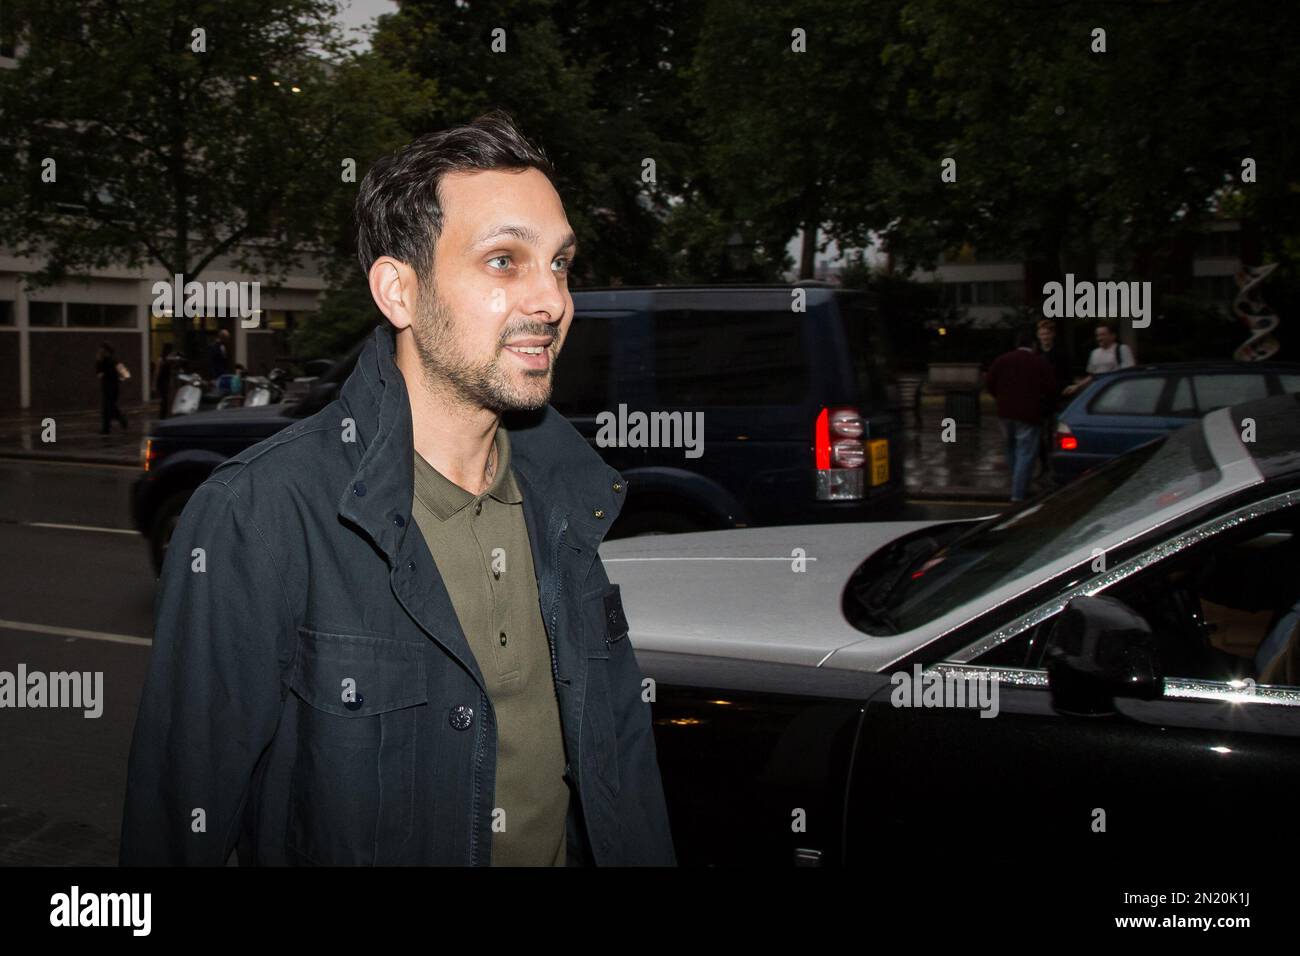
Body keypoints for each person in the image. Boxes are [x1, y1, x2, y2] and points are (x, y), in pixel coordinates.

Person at [121, 111, 675, 867]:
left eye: (562, 263)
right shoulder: (260, 513)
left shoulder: (570, 498)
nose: (551, 301)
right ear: (398, 292)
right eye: (505, 261)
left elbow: (625, 785)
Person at [986, 328, 1056, 502]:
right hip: (1028, 414)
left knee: (1010, 447)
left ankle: (1017, 478)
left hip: (1005, 412)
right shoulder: (1038, 362)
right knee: (1026, 452)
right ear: (1033, 344)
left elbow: (989, 383)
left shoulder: (1002, 360)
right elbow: (1051, 388)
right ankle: (1018, 492)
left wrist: (1001, 398)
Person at [1034, 319, 1072, 476]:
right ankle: (1044, 465)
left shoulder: (1060, 353)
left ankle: (1053, 465)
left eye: (1047, 334)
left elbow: (1066, 376)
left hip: (1055, 398)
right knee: (1039, 435)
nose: (1044, 337)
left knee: (1053, 434)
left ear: (1053, 335)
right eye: (1042, 334)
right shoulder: (1036, 353)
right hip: (1039, 399)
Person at [1063, 321, 1135, 397]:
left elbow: (1128, 374)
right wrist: (1077, 386)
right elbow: (1093, 376)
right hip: (1100, 396)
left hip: (1118, 394)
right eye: (1097, 335)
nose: (1099, 338)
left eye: (1103, 335)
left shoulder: (1122, 349)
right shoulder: (1094, 353)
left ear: (1113, 336)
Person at [95, 342, 128, 434]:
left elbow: (99, 375)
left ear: (105, 351)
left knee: (107, 408)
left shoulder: (102, 362)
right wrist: (119, 380)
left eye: (101, 350)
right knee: (110, 407)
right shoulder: (115, 361)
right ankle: (117, 422)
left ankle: (110, 426)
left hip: (107, 387)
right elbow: (126, 374)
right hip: (114, 388)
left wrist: (106, 376)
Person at [154, 343, 179, 419]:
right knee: (164, 399)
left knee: (166, 399)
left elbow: (173, 367)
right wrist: (154, 384)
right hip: (161, 381)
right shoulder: (161, 359)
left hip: (166, 380)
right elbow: (157, 372)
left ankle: (164, 415)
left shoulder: (170, 359)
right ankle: (162, 416)